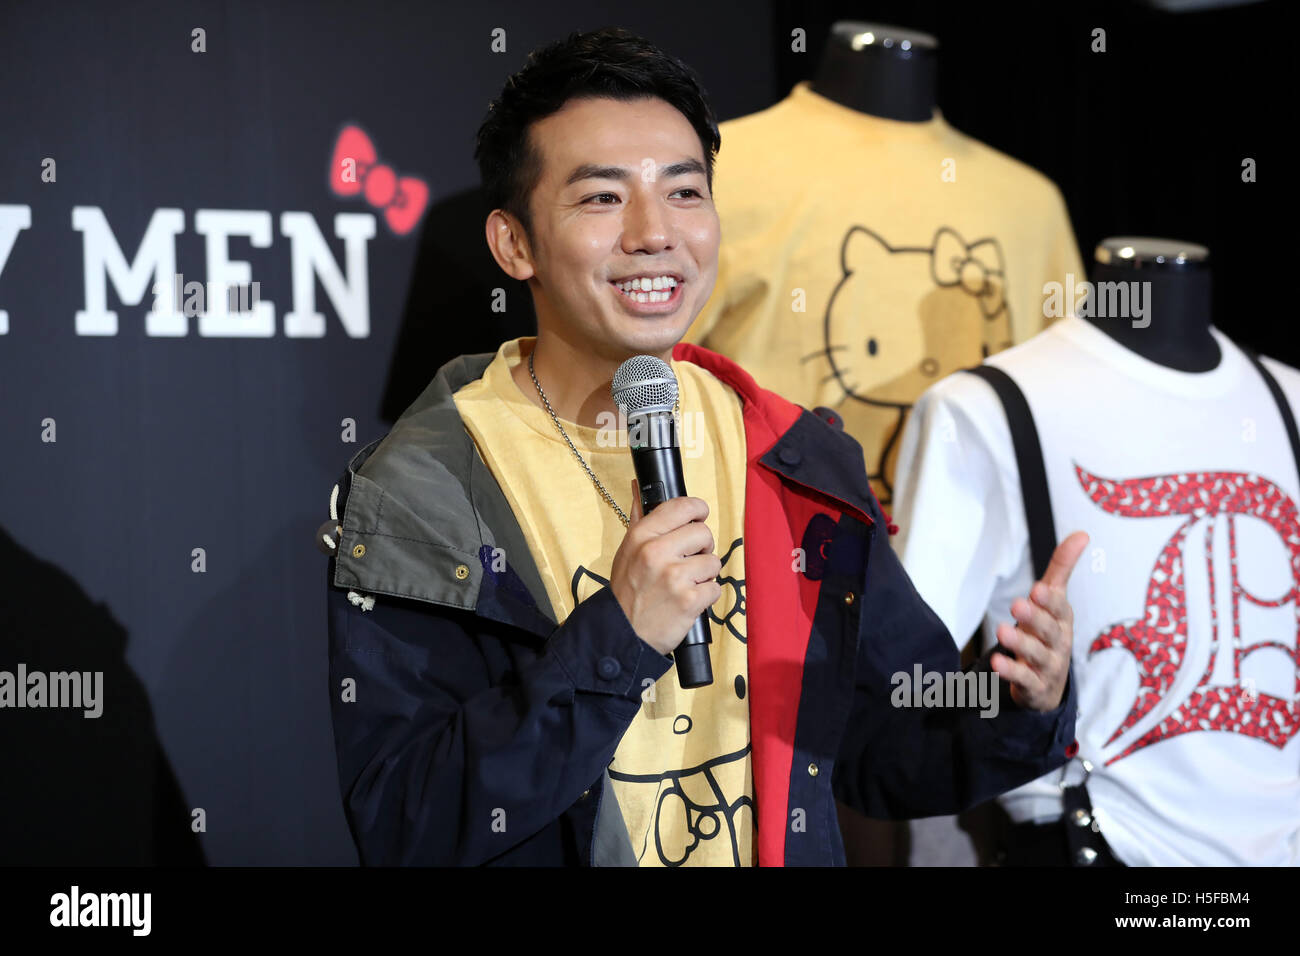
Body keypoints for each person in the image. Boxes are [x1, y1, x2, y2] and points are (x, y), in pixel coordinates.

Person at [320, 26, 1086, 867]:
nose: (655, 233)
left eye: (686, 193)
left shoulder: (795, 456)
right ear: (515, 244)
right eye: (602, 198)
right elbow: (407, 825)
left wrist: (1019, 705)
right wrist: (619, 637)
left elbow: (881, 746)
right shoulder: (423, 491)